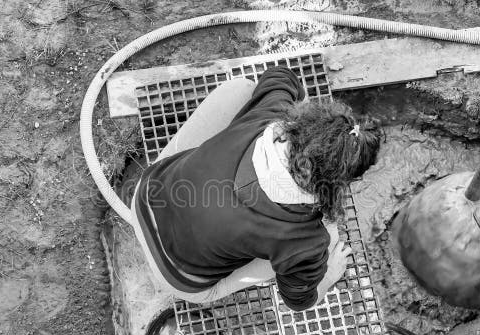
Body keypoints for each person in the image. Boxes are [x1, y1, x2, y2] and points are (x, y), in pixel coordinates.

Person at [129, 66, 382, 311]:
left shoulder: (273, 113)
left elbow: (281, 75)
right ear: (337, 181)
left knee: (242, 89)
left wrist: (307, 119)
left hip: (147, 195)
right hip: (179, 277)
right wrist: (327, 277)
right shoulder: (304, 239)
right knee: (329, 239)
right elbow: (299, 300)